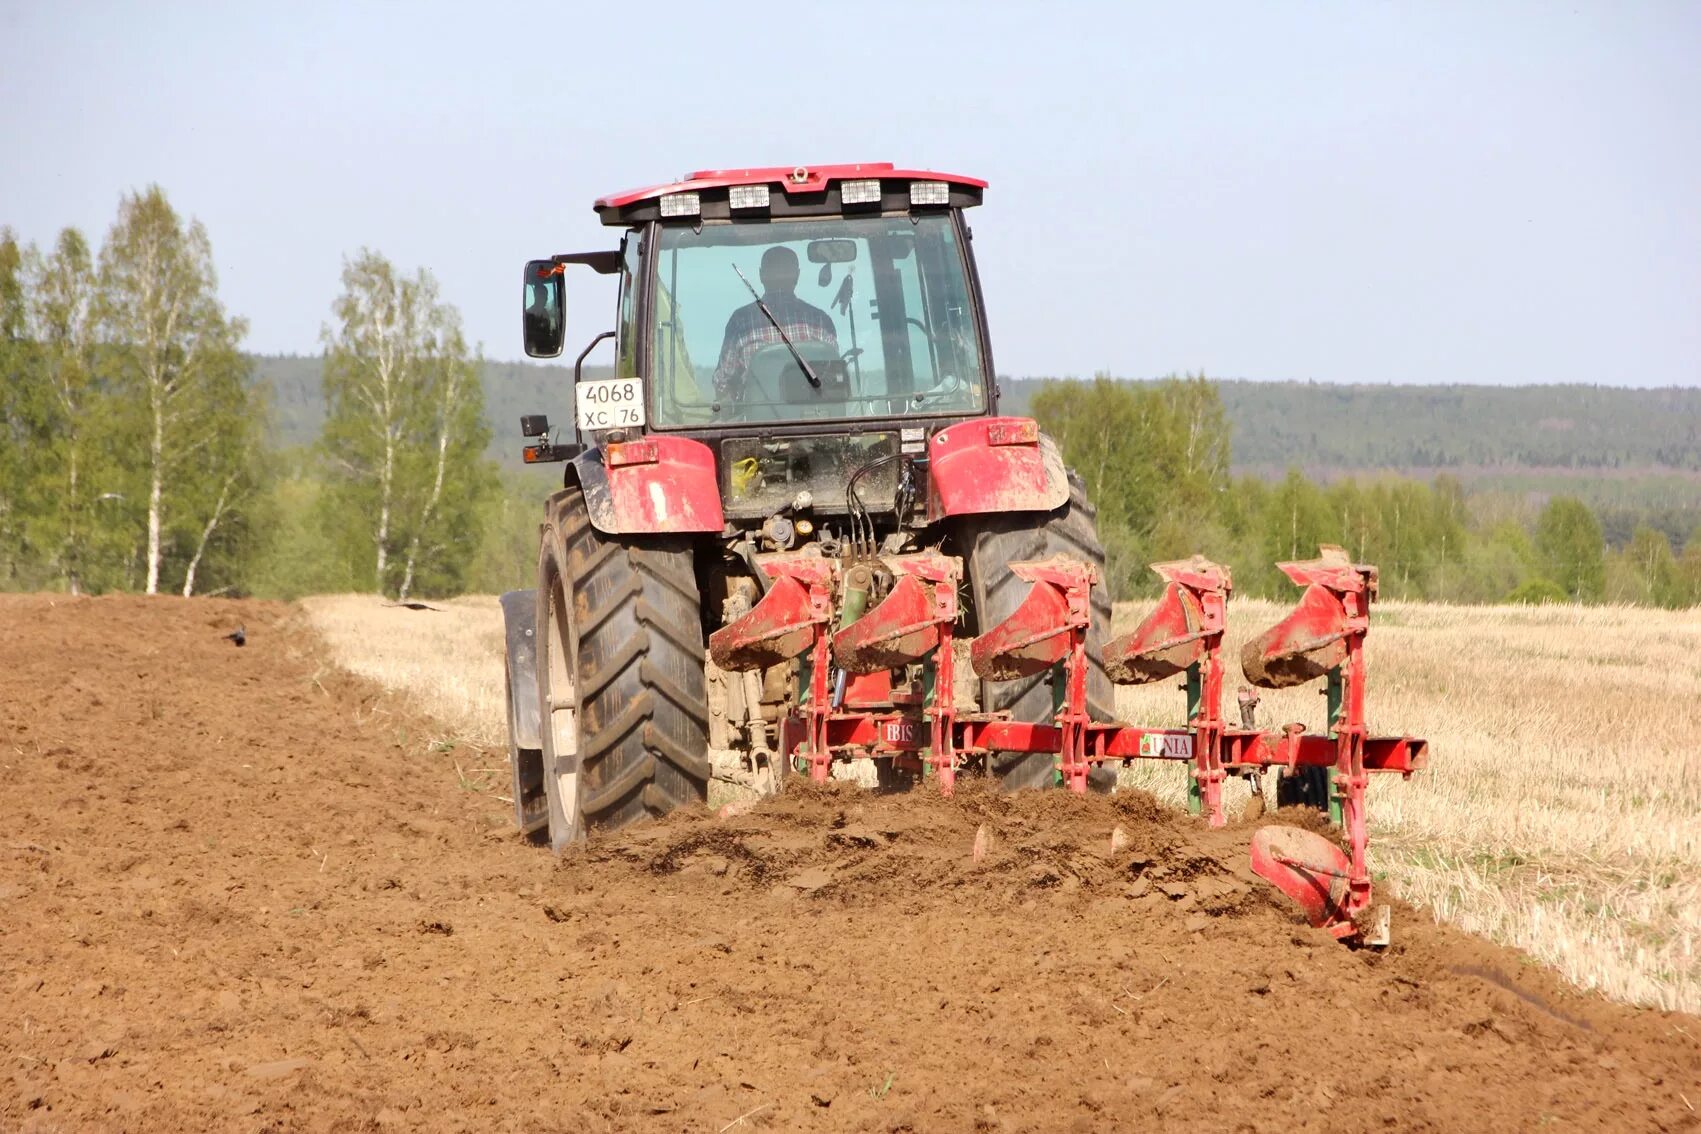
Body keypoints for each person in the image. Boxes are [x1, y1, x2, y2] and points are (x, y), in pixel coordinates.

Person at [712, 245, 839, 401]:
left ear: (761, 275)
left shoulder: (740, 321)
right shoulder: (820, 321)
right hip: (816, 419)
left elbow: (722, 383)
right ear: (797, 275)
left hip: (758, 423)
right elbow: (836, 381)